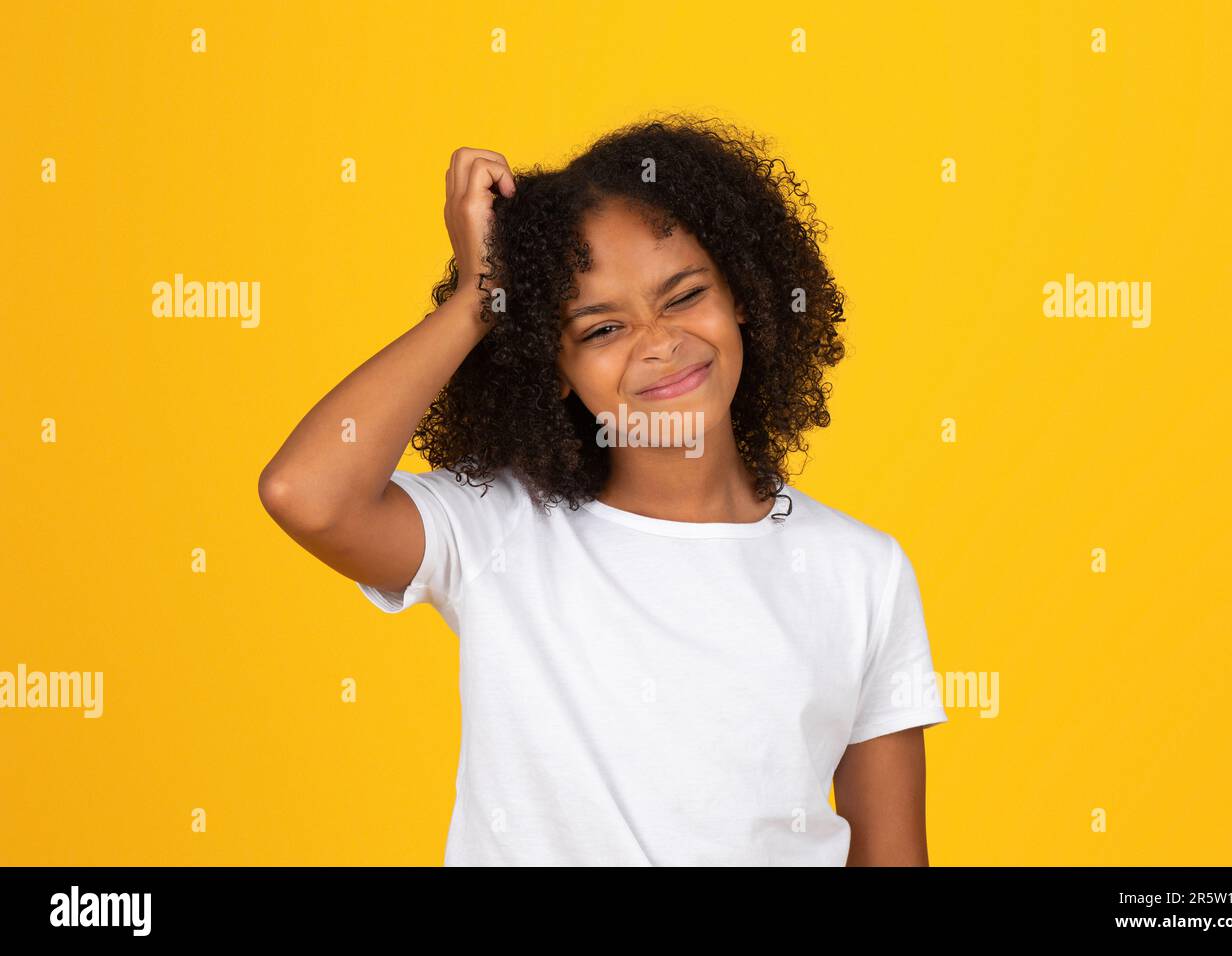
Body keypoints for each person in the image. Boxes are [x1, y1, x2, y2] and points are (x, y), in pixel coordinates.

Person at [258, 113, 948, 866]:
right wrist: (478, 295)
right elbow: (306, 493)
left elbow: (891, 857)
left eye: (684, 296)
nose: (659, 341)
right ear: (553, 368)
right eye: (601, 330)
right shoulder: (502, 529)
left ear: (744, 292)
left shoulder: (862, 571)